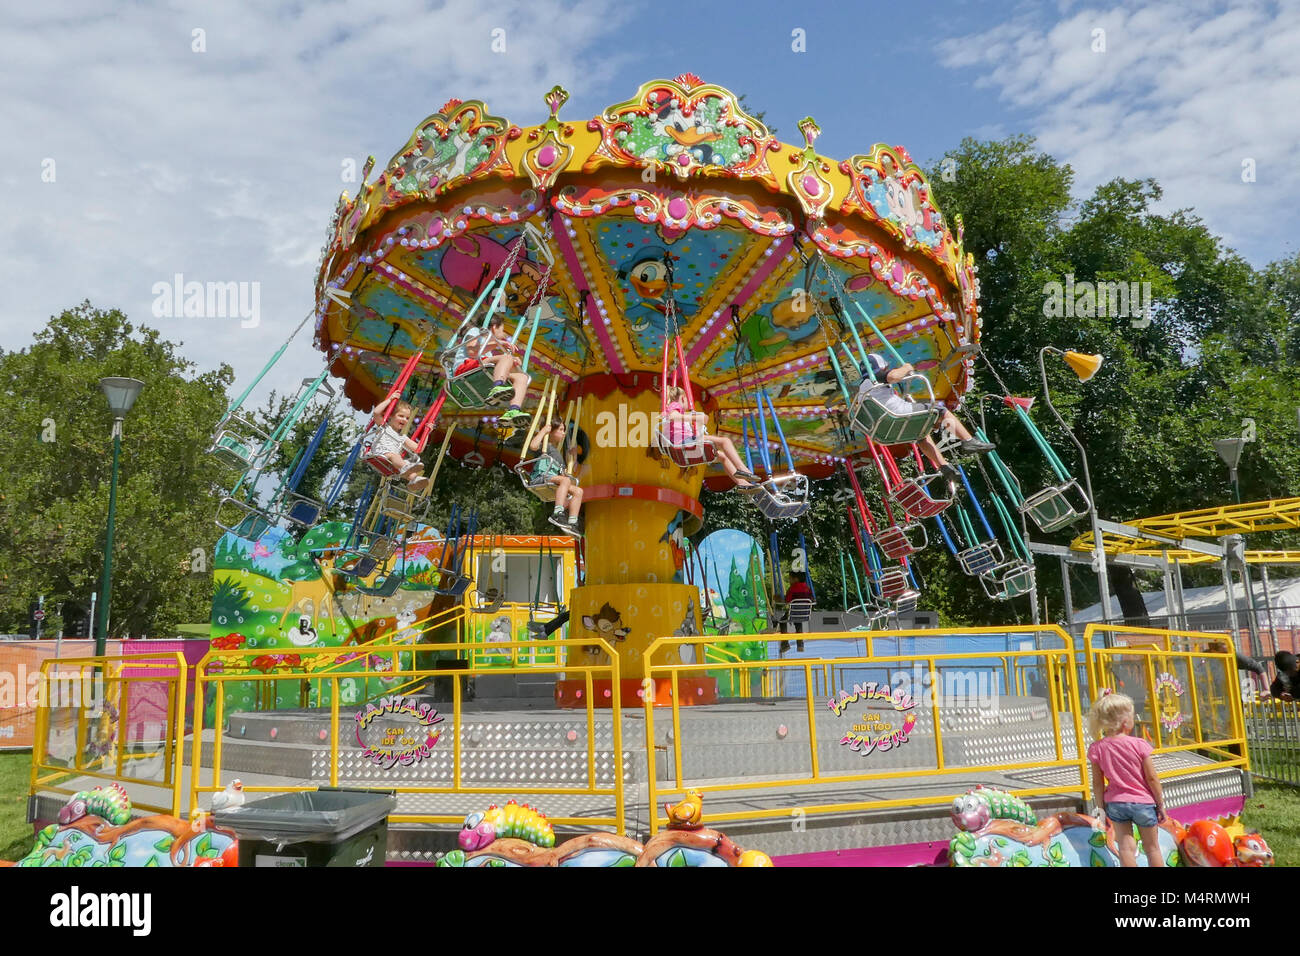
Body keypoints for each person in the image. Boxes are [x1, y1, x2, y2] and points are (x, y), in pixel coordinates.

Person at [856, 353, 994, 489]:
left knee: (921, 435)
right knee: (941, 412)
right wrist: (906, 368)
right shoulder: (876, 378)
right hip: (899, 414)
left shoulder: (862, 389)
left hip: (886, 427)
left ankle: (943, 466)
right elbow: (893, 376)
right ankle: (968, 441)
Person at [1087, 691, 1167, 867]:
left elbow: (1098, 783)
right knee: (1152, 848)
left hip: (1116, 803)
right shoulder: (1139, 744)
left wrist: (1101, 808)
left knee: (1124, 847)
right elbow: (1152, 778)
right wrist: (1160, 803)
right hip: (1143, 803)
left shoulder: (1097, 748)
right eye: (1132, 716)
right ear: (1125, 722)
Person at [663, 386, 764, 490]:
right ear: (683, 398)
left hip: (685, 446)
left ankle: (743, 483)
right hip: (685, 443)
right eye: (687, 400)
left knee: (722, 456)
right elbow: (672, 416)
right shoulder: (674, 405)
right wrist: (695, 418)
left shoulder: (678, 414)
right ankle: (742, 468)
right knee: (725, 441)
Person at [531, 418, 582, 535]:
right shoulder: (545, 446)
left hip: (554, 479)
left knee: (578, 491)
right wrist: (543, 431)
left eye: (564, 430)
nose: (563, 433)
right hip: (541, 477)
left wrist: (573, 458)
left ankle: (572, 523)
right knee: (565, 481)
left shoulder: (557, 453)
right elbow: (533, 446)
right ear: (551, 431)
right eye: (561, 429)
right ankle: (557, 513)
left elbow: (568, 472)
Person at [367, 396, 430, 491]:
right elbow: (376, 412)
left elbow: (418, 448)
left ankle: (414, 480)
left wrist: (427, 432)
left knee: (401, 461)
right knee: (396, 457)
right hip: (380, 454)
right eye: (401, 416)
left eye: (407, 418)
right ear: (391, 415)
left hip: (392, 462)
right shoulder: (384, 426)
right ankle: (407, 469)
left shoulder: (402, 437)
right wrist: (390, 399)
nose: (404, 419)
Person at [480, 314, 531, 424]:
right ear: (494, 327)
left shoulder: (489, 348)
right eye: (502, 330)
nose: (503, 334)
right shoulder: (476, 333)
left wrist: (513, 363)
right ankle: (497, 386)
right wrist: (500, 343)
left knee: (522, 377)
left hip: (484, 368)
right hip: (471, 365)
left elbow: (499, 367)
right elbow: (472, 350)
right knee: (507, 357)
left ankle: (513, 411)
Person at [778, 571, 814, 654]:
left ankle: (785, 643)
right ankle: (800, 644)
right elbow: (812, 599)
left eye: (790, 579)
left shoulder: (792, 588)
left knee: (782, 621)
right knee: (798, 622)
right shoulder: (808, 588)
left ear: (796, 579)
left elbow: (787, 600)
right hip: (805, 613)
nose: (789, 580)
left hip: (793, 612)